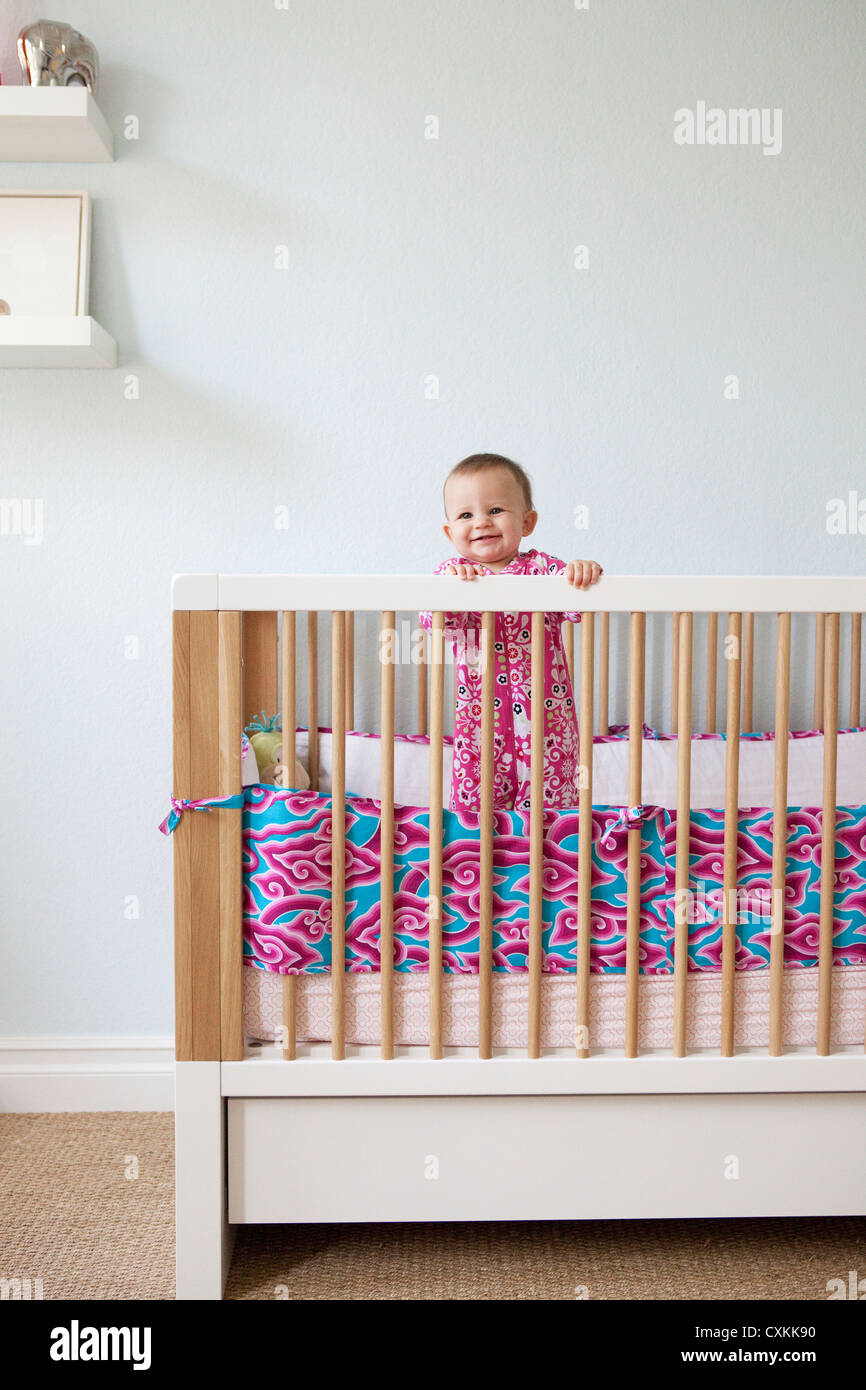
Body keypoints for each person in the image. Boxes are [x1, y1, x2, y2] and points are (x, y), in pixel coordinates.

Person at [419, 452, 603, 812]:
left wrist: (584, 572)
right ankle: (482, 862)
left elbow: (579, 602)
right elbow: (434, 622)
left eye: (496, 510)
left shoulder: (544, 570)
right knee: (477, 813)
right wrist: (452, 590)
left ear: (527, 521)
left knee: (552, 811)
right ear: (449, 531)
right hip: (479, 727)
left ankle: (551, 864)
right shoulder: (452, 576)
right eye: (466, 515)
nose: (481, 522)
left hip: (547, 727)